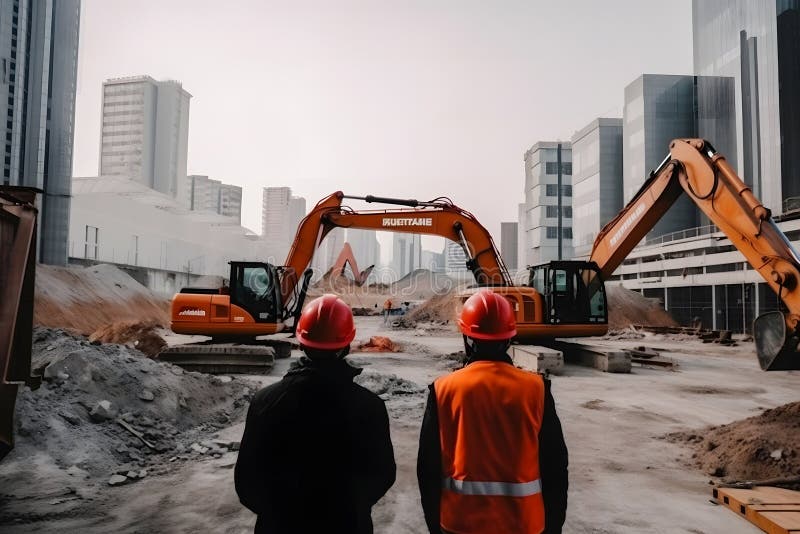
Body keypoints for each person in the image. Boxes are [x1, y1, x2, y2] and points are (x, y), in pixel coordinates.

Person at [235, 294, 396, 534]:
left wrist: (279, 513)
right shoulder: (369, 406)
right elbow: (382, 475)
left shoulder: (265, 401)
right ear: (347, 344)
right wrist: (349, 509)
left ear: (301, 342)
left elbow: (247, 482)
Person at [417, 289, 569, 534]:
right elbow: (555, 468)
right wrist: (553, 527)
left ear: (467, 338)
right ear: (509, 338)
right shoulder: (536, 389)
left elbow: (428, 469)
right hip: (524, 523)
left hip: (459, 523)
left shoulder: (444, 389)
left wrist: (435, 526)